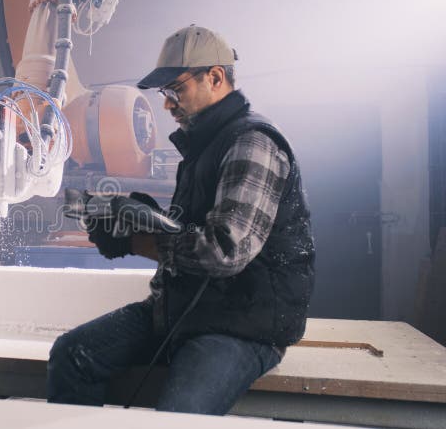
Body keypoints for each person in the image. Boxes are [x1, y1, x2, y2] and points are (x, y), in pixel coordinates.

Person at [47, 25, 315, 415]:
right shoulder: (201, 145)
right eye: (165, 94)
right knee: (72, 354)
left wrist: (132, 243)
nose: (168, 104)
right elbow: (190, 229)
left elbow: (223, 251)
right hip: (183, 309)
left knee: (177, 417)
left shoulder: (252, 143)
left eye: (176, 90)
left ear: (216, 78)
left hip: (240, 326)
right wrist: (140, 218)